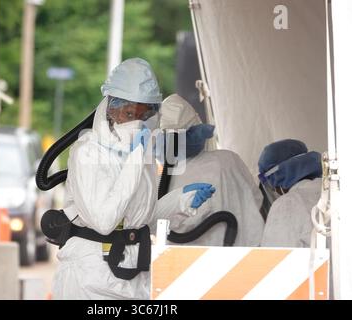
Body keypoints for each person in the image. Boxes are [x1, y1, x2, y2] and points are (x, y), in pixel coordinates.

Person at [53, 58, 215, 299]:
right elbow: (105, 220)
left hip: (133, 273)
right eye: (131, 112)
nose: (140, 121)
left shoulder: (141, 151)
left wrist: (180, 201)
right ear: (112, 109)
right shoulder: (88, 152)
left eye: (147, 112)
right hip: (90, 277)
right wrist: (135, 161)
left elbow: (140, 219)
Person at [157, 94, 264, 246]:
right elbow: (257, 200)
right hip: (249, 257)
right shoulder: (229, 160)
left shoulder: (164, 180)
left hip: (186, 265)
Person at [258, 139, 323, 247]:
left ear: (278, 175)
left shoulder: (287, 204)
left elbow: (274, 256)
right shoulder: (333, 190)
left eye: (269, 180)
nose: (273, 189)